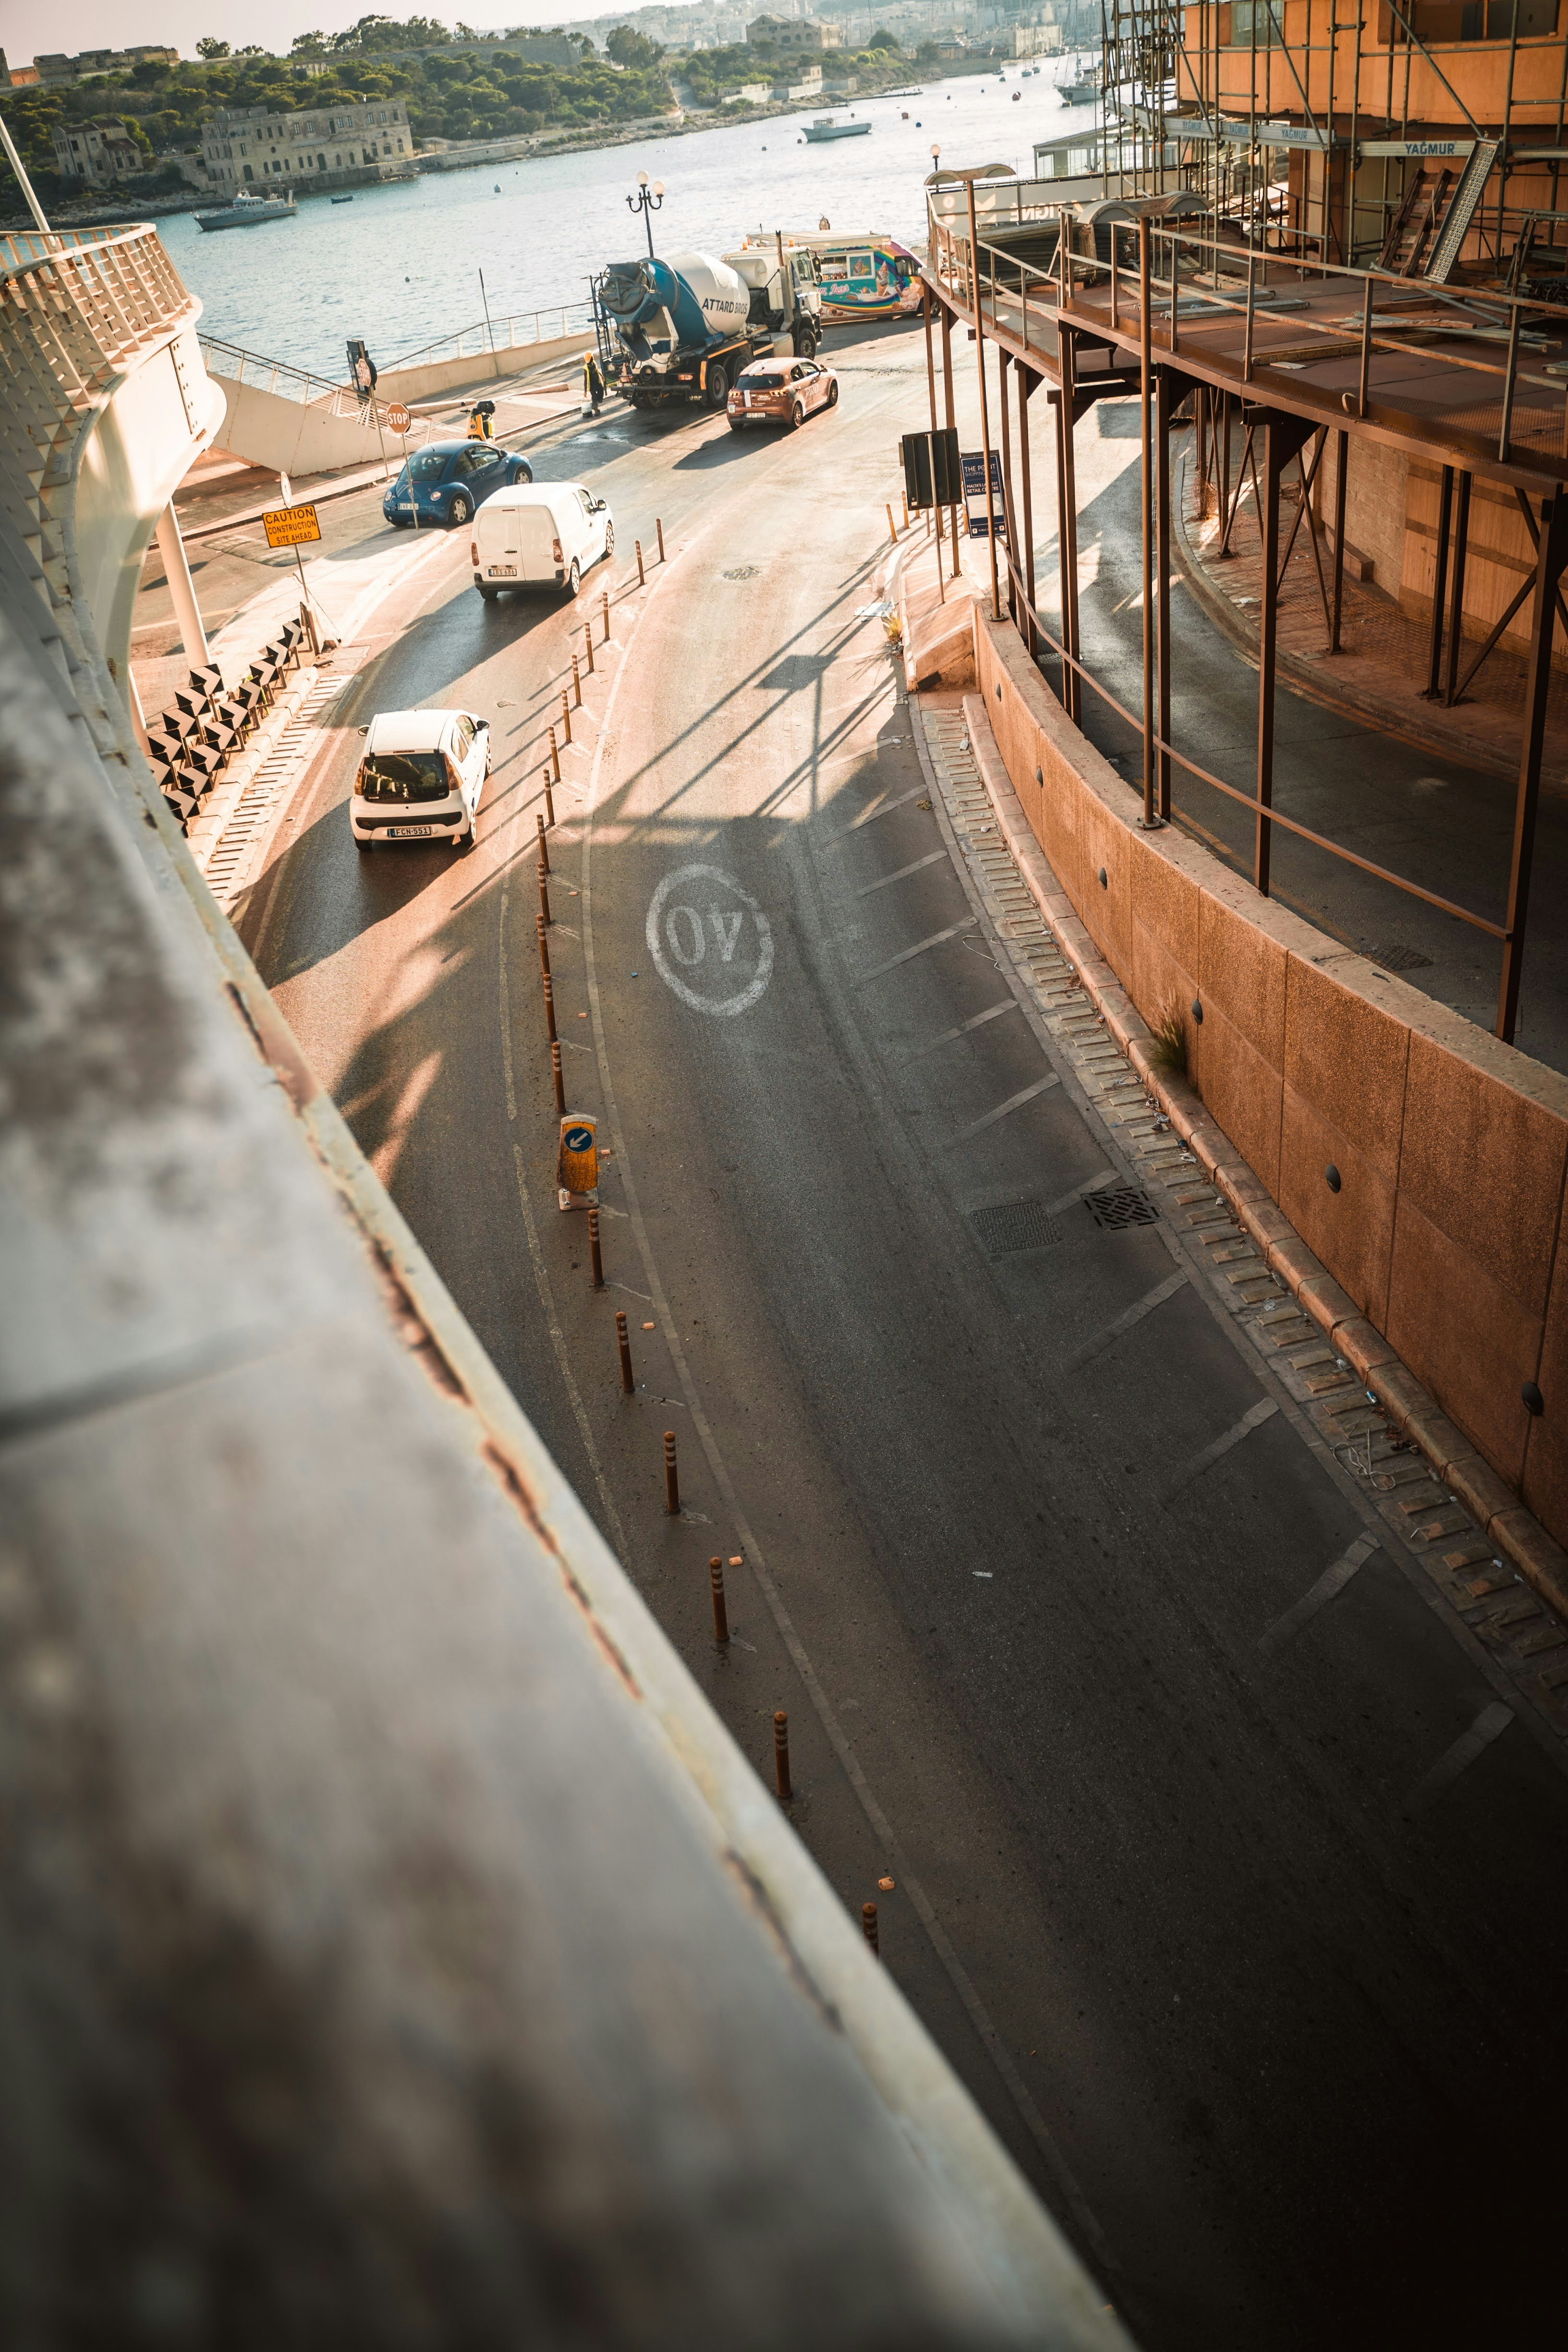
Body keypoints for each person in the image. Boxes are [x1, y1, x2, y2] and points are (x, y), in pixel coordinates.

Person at [583, 348, 606, 415]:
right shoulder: (586, 368)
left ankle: (594, 404)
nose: (593, 357)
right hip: (592, 385)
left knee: (601, 390)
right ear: (590, 358)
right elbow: (586, 380)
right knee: (594, 396)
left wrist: (602, 376)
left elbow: (597, 370)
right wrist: (585, 391)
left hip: (597, 383)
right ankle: (595, 409)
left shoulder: (594, 363)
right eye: (592, 357)